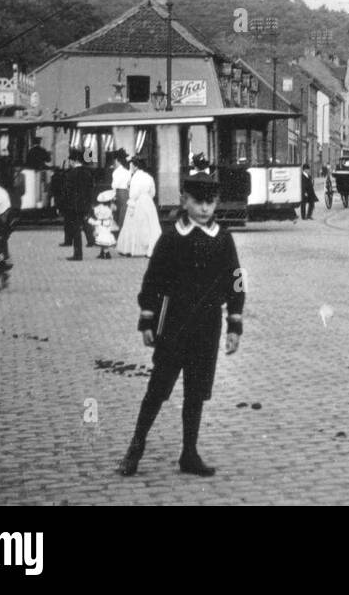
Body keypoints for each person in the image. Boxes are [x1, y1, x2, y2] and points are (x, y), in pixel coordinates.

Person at [116, 169, 244, 478]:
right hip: (172, 325)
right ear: (185, 200)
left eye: (210, 203)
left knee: (196, 392)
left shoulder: (224, 240)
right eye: (198, 202)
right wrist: (147, 320)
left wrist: (235, 324)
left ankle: (189, 453)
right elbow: (154, 281)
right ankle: (136, 446)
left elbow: (236, 281)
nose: (204, 209)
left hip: (208, 326)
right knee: (158, 388)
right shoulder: (171, 238)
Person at [117, 157, 162, 258]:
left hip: (137, 202)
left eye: (131, 165)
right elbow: (153, 192)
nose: (130, 167)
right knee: (150, 225)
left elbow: (133, 194)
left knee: (134, 225)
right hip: (148, 202)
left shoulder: (135, 178)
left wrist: (132, 199)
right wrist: (147, 197)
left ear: (135, 166)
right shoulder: (149, 177)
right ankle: (150, 248)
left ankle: (133, 249)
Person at [62, 149, 97, 260]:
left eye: (71, 161)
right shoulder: (88, 173)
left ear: (74, 161)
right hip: (85, 205)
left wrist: (65, 206)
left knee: (76, 230)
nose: (70, 163)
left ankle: (78, 254)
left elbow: (67, 192)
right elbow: (91, 190)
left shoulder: (70, 174)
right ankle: (91, 241)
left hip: (73, 207)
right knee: (86, 224)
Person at [110, 150, 131, 231]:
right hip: (127, 193)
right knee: (125, 212)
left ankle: (120, 231)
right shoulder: (127, 171)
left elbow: (114, 186)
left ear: (116, 161)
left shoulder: (116, 172)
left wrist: (112, 199)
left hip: (119, 193)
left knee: (119, 213)